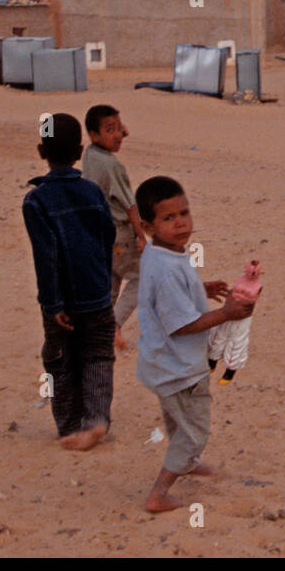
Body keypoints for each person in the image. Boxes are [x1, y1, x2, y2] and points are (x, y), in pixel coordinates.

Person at [134, 175, 254, 512]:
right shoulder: (166, 265)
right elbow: (183, 324)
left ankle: (186, 460)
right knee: (194, 431)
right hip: (179, 368)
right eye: (168, 218)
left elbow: (167, 295)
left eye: (184, 213)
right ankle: (159, 493)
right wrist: (227, 313)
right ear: (147, 225)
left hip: (163, 363)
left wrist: (199, 288)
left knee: (178, 423)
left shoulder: (164, 253)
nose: (181, 223)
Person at [21, 112, 116, 451]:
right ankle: (97, 420)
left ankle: (68, 426)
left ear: (40, 151)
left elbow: (45, 257)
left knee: (60, 360)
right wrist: (105, 286)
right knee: (98, 357)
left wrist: (52, 303)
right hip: (97, 295)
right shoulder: (92, 192)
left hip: (62, 302)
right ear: (79, 151)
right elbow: (108, 239)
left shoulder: (36, 200)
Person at [82, 104, 147, 351]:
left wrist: (117, 130)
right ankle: (113, 325)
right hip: (120, 233)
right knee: (143, 277)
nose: (119, 134)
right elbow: (130, 204)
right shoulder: (113, 166)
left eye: (119, 128)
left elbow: (113, 136)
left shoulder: (90, 154)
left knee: (111, 282)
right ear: (94, 134)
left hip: (100, 233)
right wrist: (141, 236)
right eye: (111, 130)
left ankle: (99, 332)